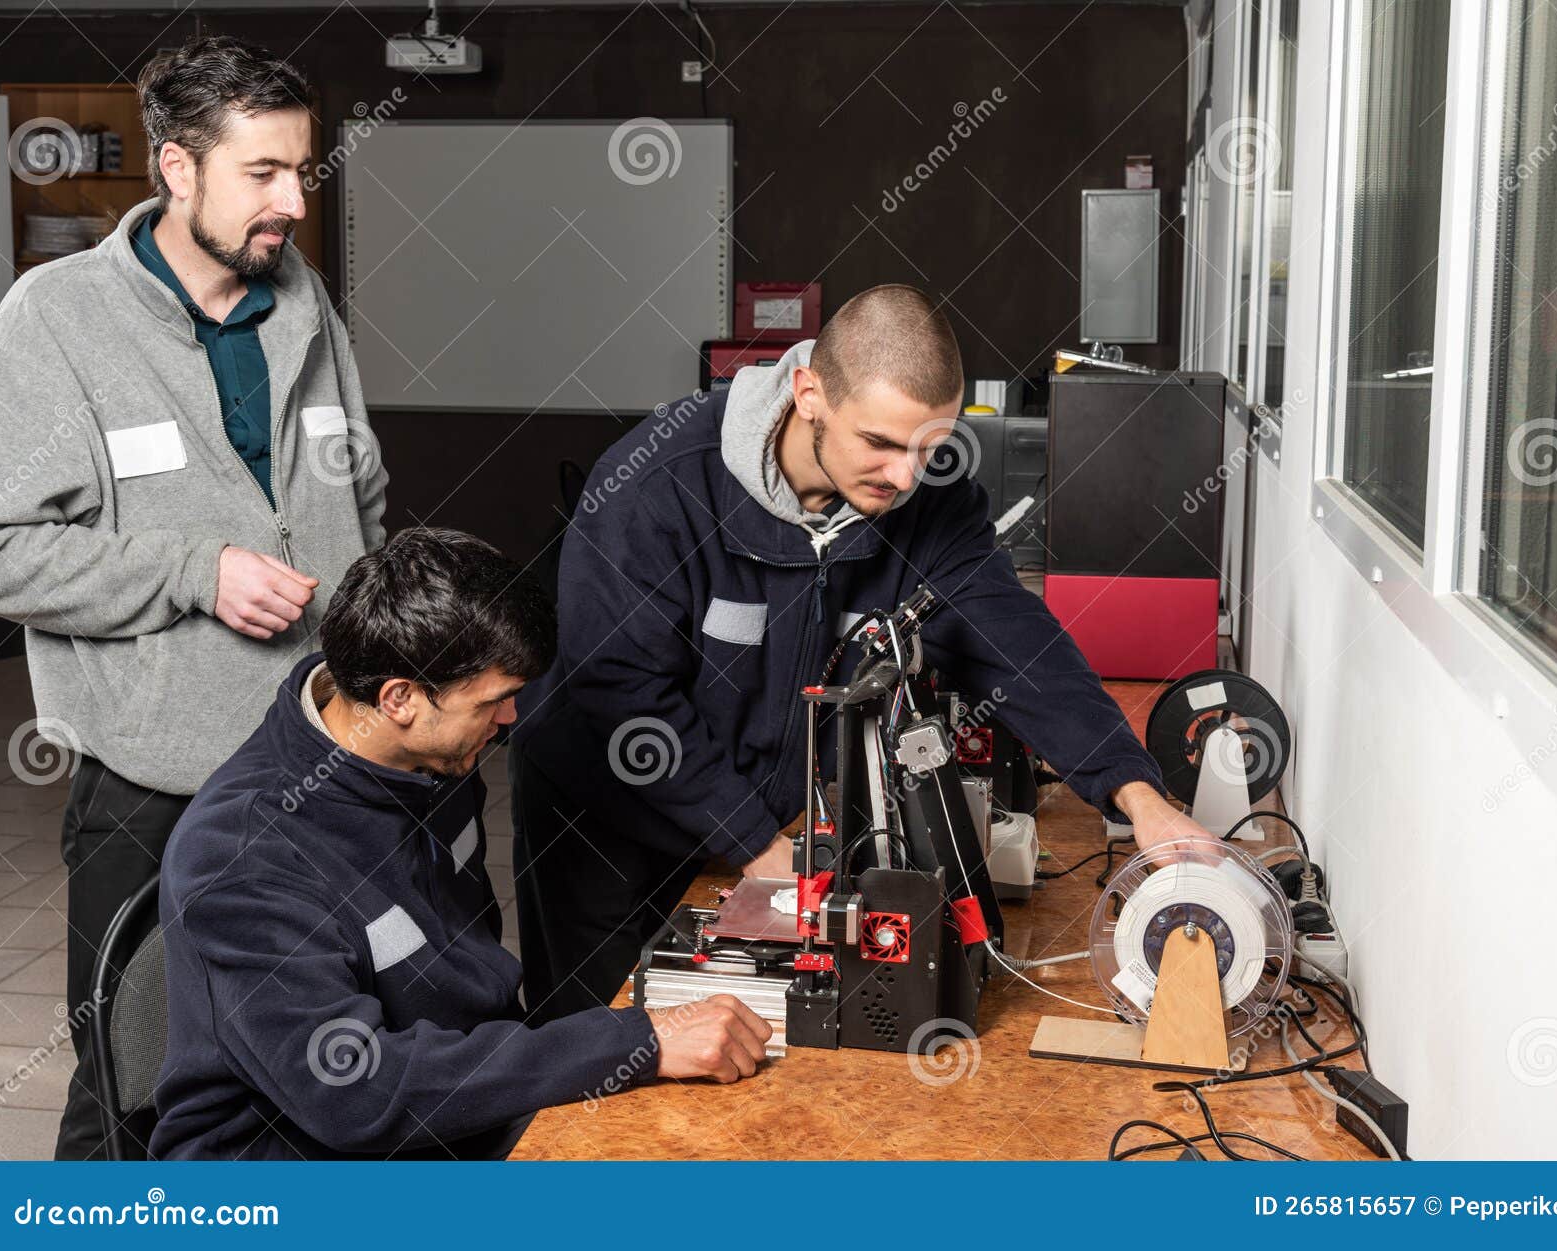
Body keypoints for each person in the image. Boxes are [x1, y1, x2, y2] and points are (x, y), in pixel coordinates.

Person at [509, 284, 1217, 1026]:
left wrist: (1139, 796)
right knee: (595, 1047)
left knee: (729, 1049)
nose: (905, 476)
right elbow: (622, 693)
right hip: (604, 819)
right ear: (808, 392)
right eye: (880, 443)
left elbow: (1016, 643)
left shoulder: (927, 501)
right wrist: (750, 840)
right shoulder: (657, 485)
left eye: (929, 447)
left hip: (752, 828)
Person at [0, 35, 387, 1157]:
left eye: (300, 171)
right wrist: (193, 571)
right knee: (132, 1080)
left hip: (322, 765)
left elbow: (359, 510)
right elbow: (4, 547)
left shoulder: (304, 306)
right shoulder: (55, 319)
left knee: (315, 1056)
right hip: (154, 787)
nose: (291, 205)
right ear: (176, 167)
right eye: (261, 173)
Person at [152, 528, 771, 1160]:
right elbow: (354, 1092)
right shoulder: (245, 855)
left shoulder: (433, 759)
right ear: (400, 698)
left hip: (451, 1109)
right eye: (495, 701)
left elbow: (472, 991)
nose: (510, 719)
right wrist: (631, 1043)